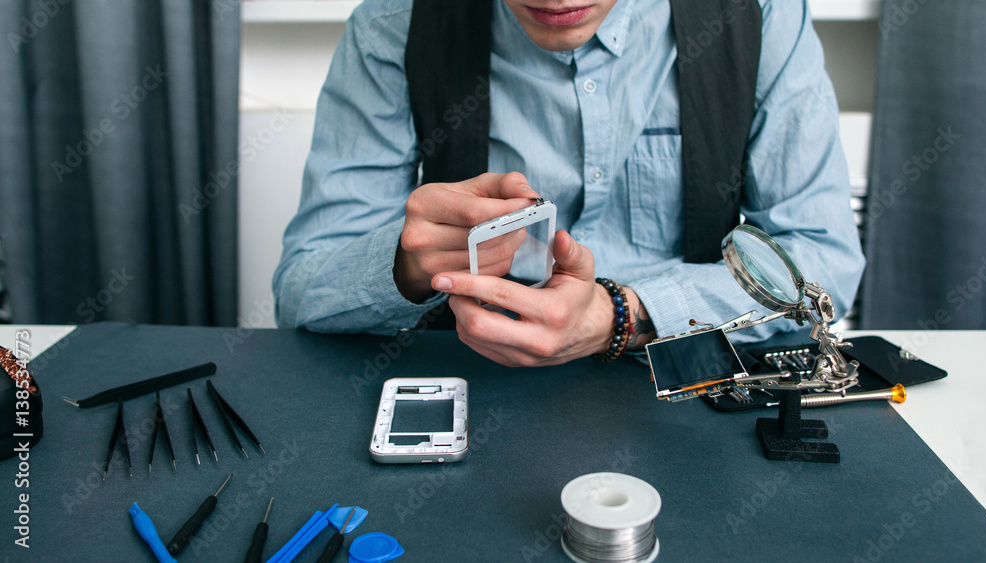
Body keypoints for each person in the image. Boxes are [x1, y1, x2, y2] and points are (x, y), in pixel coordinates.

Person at [273, 0, 865, 367]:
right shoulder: (393, 26)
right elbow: (301, 293)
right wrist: (406, 266)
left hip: (690, 390)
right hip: (472, 385)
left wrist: (621, 316)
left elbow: (824, 262)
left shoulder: (759, 14)